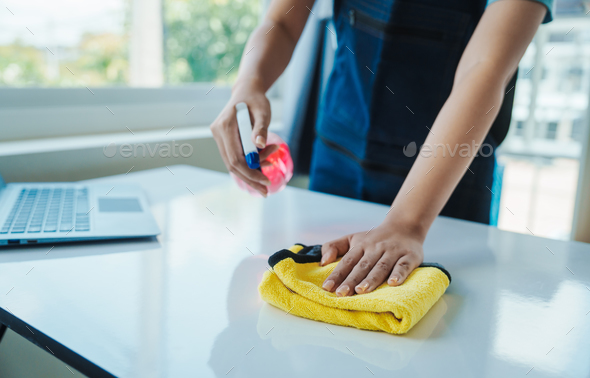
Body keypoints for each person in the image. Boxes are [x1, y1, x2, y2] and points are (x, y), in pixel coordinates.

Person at [210, 0, 552, 297]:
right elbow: (282, 21)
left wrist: (408, 223)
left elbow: (485, 68)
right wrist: (249, 83)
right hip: (338, 157)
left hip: (445, 182)